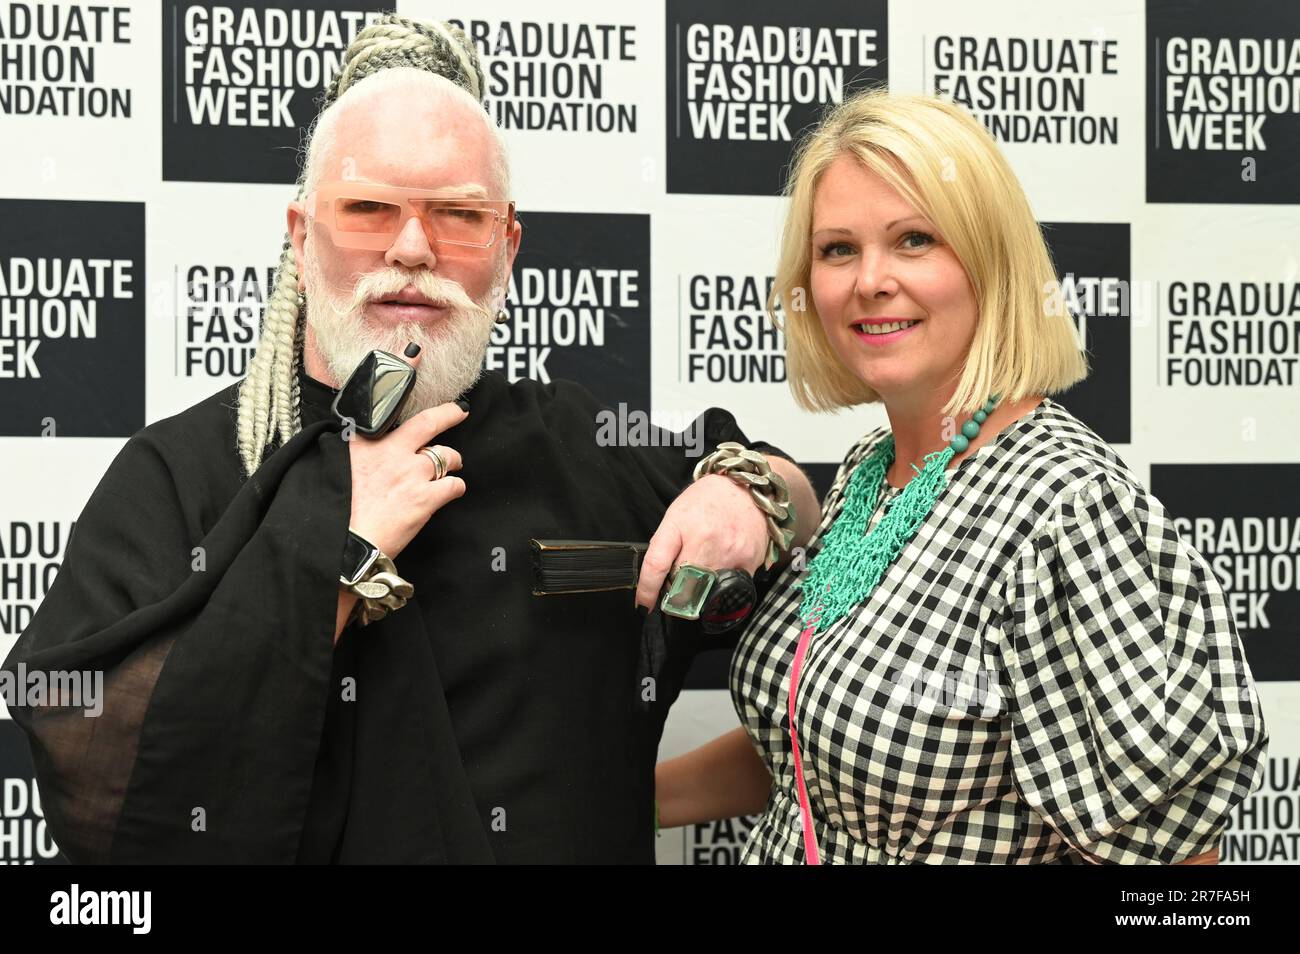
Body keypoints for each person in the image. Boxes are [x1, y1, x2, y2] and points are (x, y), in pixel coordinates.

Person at [0, 15, 818, 863]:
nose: (413, 247)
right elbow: (94, 776)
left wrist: (751, 490)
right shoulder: (180, 472)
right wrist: (329, 554)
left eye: (459, 215)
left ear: (508, 247)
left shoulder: (583, 439)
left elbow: (793, 495)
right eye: (368, 208)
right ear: (300, 233)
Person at [655, 87, 1268, 865]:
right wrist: (607, 802)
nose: (870, 279)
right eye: (838, 249)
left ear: (990, 262)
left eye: (914, 239)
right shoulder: (869, 474)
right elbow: (819, 753)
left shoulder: (1067, 512)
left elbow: (1178, 873)